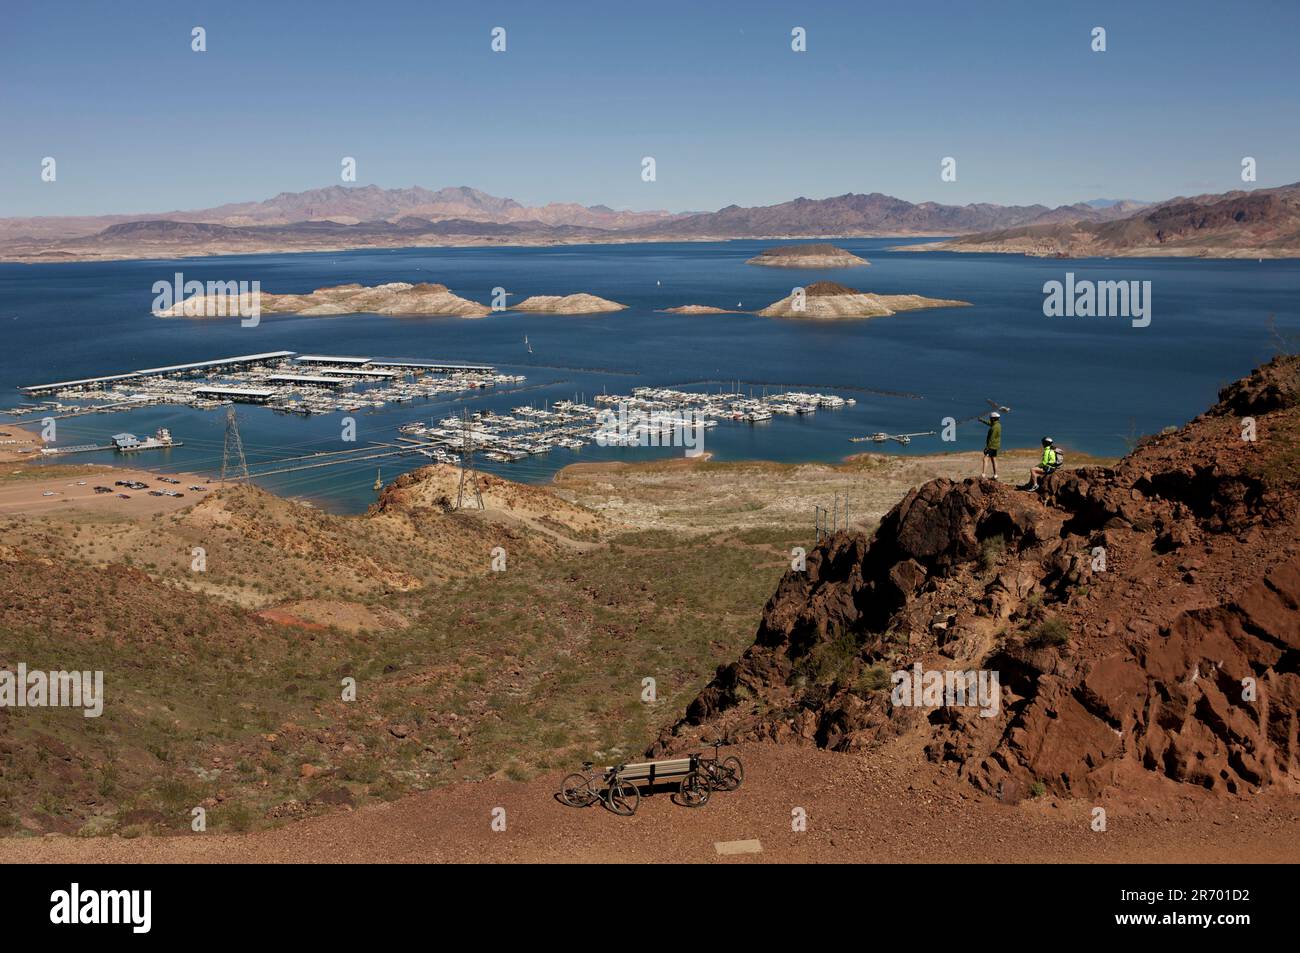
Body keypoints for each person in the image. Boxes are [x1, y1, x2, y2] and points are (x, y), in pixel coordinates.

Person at [978, 411, 1001, 479]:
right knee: (994, 459)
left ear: (993, 419)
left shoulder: (994, 427)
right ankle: (995, 475)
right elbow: (989, 423)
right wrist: (982, 420)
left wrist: (987, 447)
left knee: (985, 458)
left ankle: (983, 474)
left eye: (990, 418)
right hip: (996, 445)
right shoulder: (997, 425)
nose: (990, 419)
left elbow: (992, 438)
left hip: (992, 446)